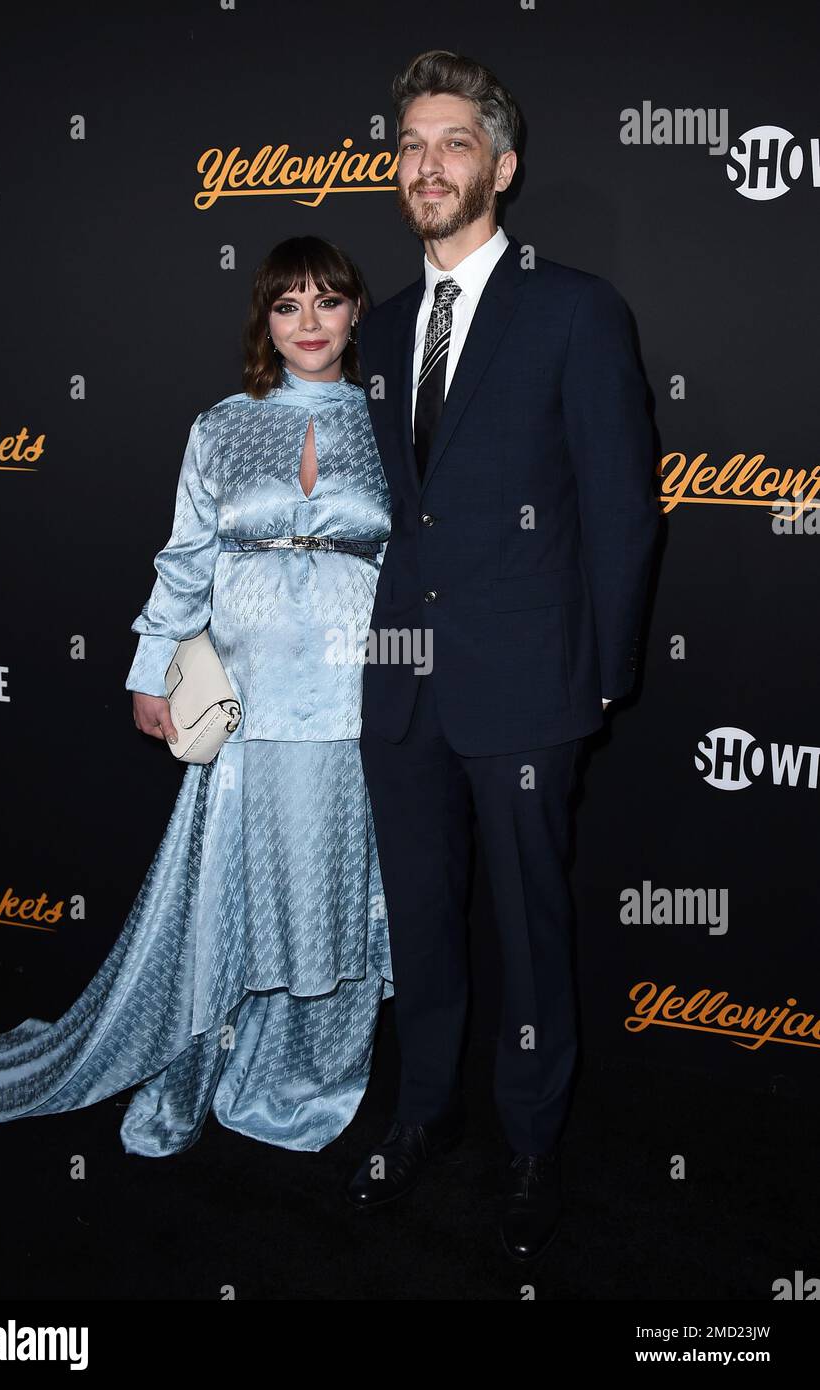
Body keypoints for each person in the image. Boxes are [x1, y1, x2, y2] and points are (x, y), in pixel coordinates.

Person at [0, 236, 393, 1157]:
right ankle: (201, 1058)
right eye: (286, 305)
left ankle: (306, 1075)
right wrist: (152, 666)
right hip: (248, 695)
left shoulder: (400, 427)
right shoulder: (222, 424)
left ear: (356, 312)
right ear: (264, 321)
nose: (309, 323)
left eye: (328, 302)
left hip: (358, 697)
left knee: (337, 886)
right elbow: (187, 555)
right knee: (233, 886)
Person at [344, 50, 660, 1261]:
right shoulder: (376, 329)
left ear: (502, 167)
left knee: (528, 930)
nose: (426, 163)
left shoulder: (573, 308)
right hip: (403, 681)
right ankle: (423, 1113)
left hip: (530, 683)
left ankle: (531, 1141)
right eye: (410, 145)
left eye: (453, 143)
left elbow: (623, 508)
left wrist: (599, 674)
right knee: (420, 921)